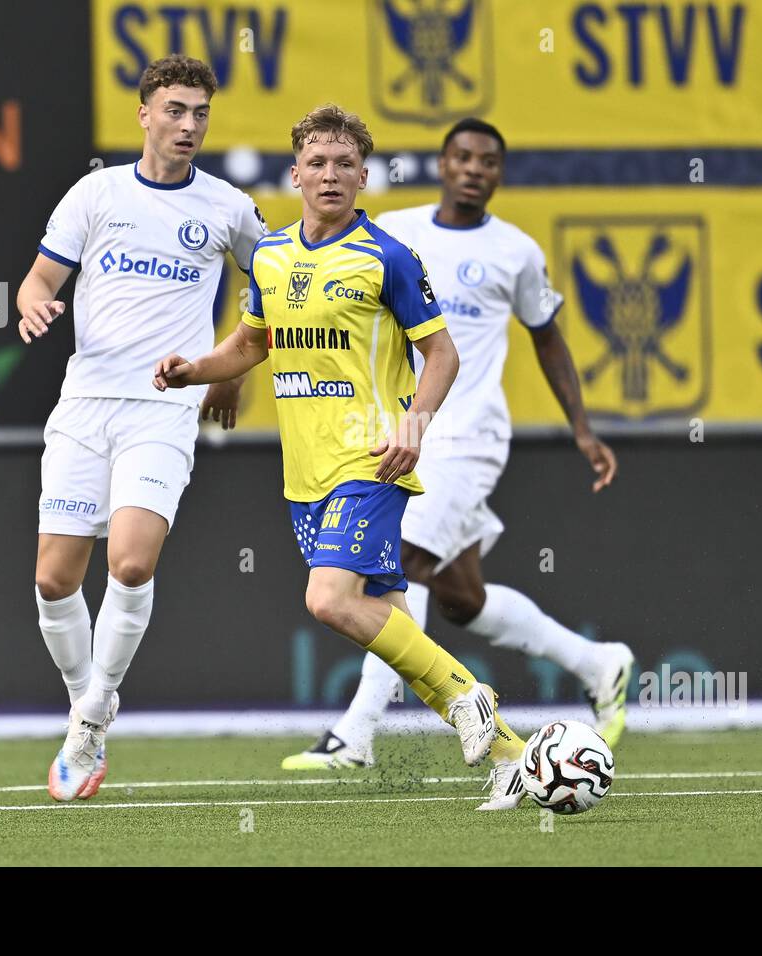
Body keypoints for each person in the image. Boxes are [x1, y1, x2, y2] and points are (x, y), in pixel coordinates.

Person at [153, 104, 531, 810]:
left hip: (373, 460)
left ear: (364, 177)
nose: (330, 174)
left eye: (345, 164)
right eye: (317, 163)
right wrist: (194, 369)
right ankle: (510, 754)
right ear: (295, 173)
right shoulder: (269, 254)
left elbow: (443, 353)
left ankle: (468, 700)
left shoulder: (387, 256)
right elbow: (252, 344)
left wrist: (415, 423)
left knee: (329, 600)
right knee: (387, 622)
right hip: (305, 474)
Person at [282, 119, 632, 794]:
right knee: (461, 599)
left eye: (489, 161)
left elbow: (548, 338)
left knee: (399, 562)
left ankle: (355, 732)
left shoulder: (516, 252)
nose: (474, 169)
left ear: (498, 174)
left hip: (467, 438)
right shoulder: (394, 232)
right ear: (441, 164)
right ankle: (597, 664)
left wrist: (583, 430)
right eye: (463, 156)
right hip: (397, 429)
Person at [16, 55, 265, 801]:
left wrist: (229, 370)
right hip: (84, 407)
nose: (188, 125)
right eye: (176, 110)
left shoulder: (227, 208)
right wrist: (31, 304)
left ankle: (92, 721)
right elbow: (40, 278)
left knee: (127, 563)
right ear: (145, 113)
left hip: (164, 407)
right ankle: (83, 701)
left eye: (200, 114)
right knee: (54, 579)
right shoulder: (95, 195)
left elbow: (274, 291)